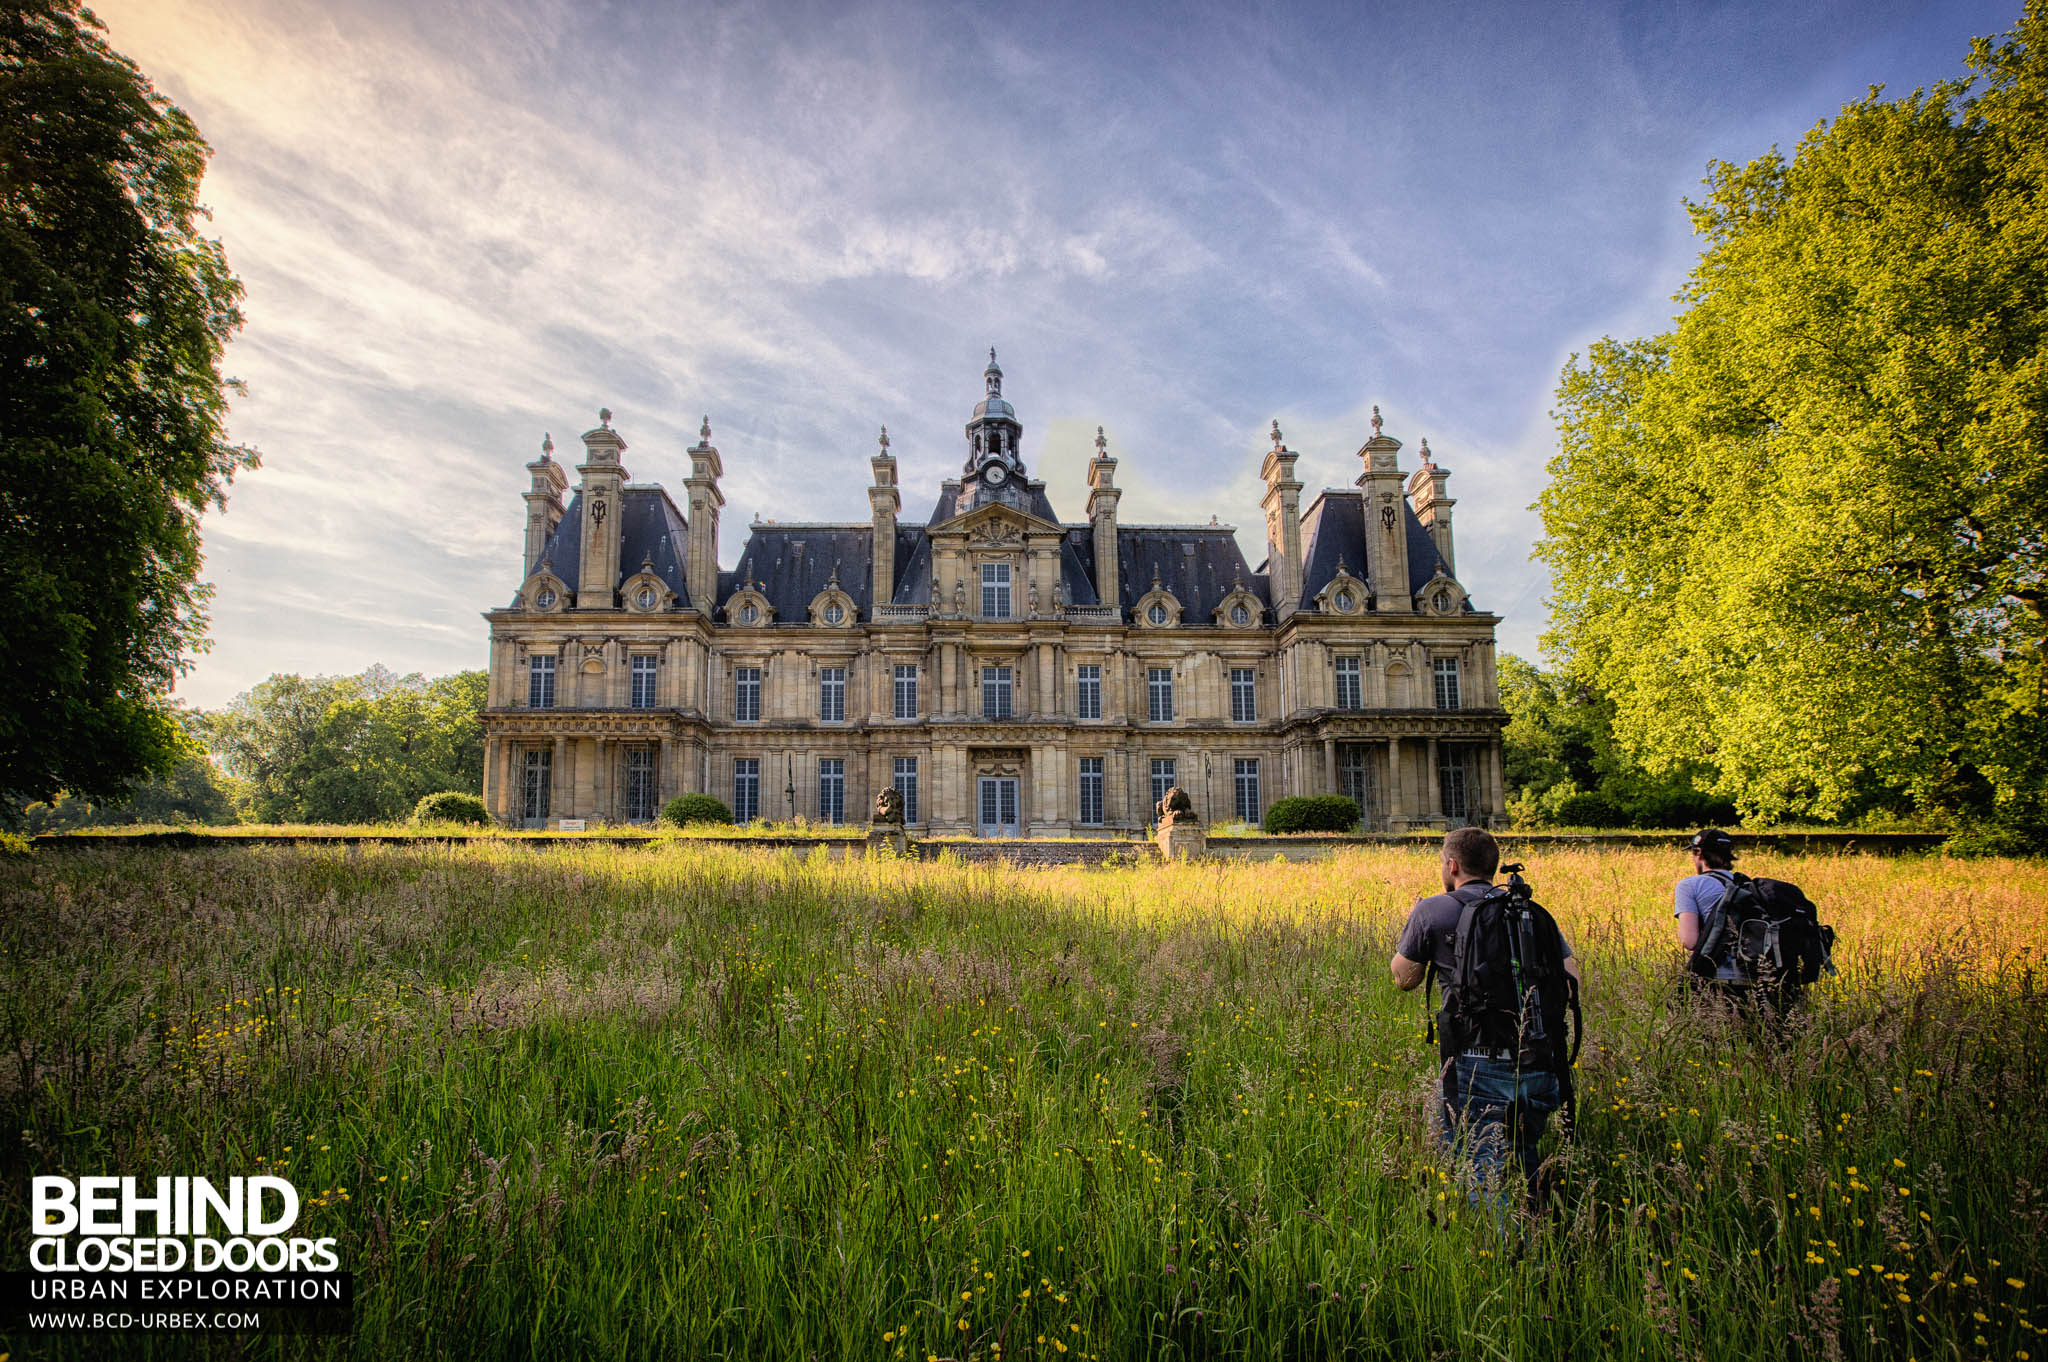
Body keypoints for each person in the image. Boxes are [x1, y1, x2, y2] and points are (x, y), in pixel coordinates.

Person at [1391, 827, 1582, 1207]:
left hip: (1478, 1063)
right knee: (1524, 1161)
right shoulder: (1527, 910)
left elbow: (1404, 978)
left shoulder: (1433, 910)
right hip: (1539, 1062)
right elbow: (1571, 981)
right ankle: (1543, 1229)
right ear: (1493, 866)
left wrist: (1416, 921)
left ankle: (1511, 1245)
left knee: (1481, 1172)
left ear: (1452, 865)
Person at [1673, 827, 1752, 1007]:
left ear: (1698, 853)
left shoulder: (1690, 885)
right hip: (1758, 976)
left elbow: (1689, 941)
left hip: (1717, 979)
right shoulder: (1746, 885)